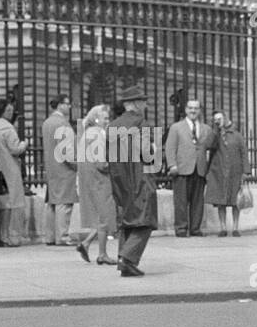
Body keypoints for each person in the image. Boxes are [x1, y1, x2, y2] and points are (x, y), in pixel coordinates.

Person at [107, 83, 158, 276]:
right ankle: (127, 258)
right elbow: (146, 154)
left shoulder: (112, 126)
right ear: (135, 103)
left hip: (120, 180)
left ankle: (123, 258)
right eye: (143, 101)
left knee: (128, 220)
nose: (145, 105)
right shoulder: (141, 124)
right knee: (145, 221)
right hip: (139, 178)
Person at [164, 98, 217, 237]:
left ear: (199, 111)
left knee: (198, 200)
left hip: (200, 169)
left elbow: (212, 148)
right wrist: (172, 165)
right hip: (181, 168)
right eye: (190, 108)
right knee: (181, 201)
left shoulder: (206, 128)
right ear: (186, 110)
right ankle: (181, 228)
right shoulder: (176, 127)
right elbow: (170, 148)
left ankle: (195, 228)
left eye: (196, 108)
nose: (193, 110)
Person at [72, 104, 115, 266]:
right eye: (105, 118)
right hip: (99, 180)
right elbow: (101, 163)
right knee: (104, 218)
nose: (107, 121)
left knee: (101, 218)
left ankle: (86, 244)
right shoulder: (97, 134)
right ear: (96, 118)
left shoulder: (87, 133)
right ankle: (102, 254)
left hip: (90, 180)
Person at [0, 96, 28, 247]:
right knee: (14, 203)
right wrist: (24, 144)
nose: (11, 112)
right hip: (10, 169)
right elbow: (15, 149)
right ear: (3, 111)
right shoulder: (8, 128)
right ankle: (13, 236)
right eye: (8, 110)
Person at [41, 94, 79, 246]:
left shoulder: (47, 122)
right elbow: (67, 151)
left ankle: (50, 236)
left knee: (52, 203)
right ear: (60, 105)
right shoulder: (63, 124)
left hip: (51, 166)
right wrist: (76, 164)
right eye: (67, 103)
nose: (69, 107)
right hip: (64, 168)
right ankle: (62, 236)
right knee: (65, 203)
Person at [205, 112, 247, 237]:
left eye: (220, 119)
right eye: (215, 119)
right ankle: (223, 227)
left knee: (236, 201)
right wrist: (216, 130)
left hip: (235, 172)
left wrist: (245, 171)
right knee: (220, 202)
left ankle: (235, 227)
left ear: (226, 118)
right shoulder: (215, 134)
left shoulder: (237, 135)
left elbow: (244, 153)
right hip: (219, 172)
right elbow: (208, 145)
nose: (218, 121)